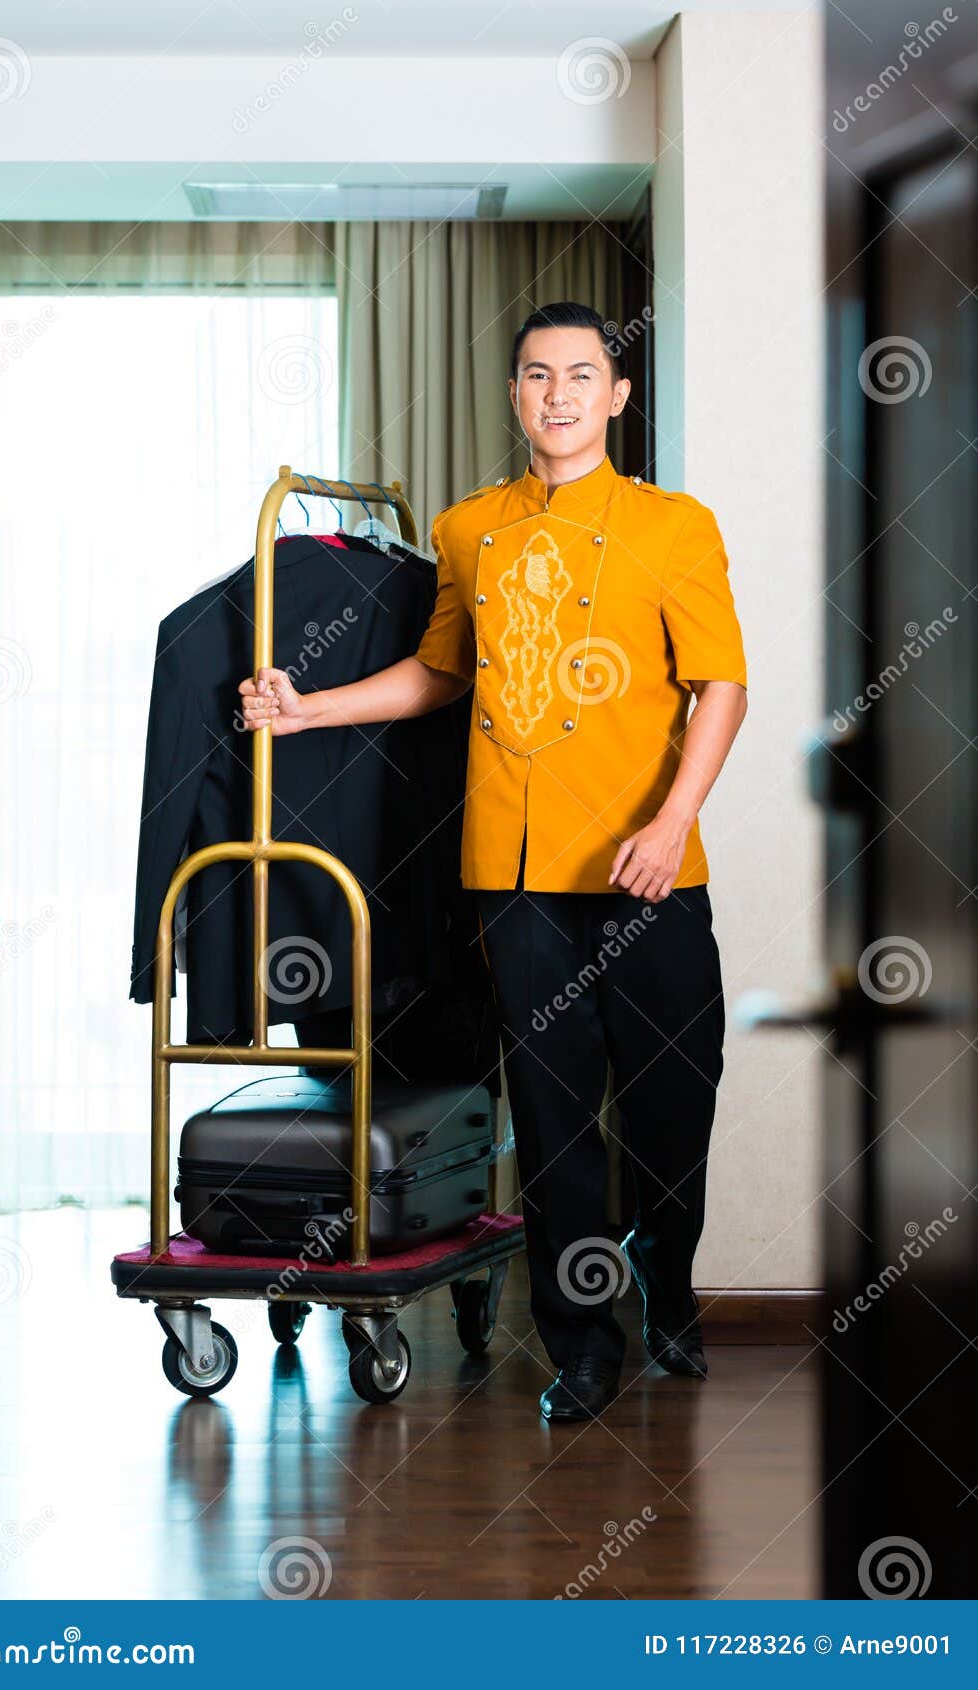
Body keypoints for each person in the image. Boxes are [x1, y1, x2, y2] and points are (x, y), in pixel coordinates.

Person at [239, 302, 748, 1422]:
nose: (556, 393)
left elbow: (721, 685)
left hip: (646, 870)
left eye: (580, 374)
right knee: (554, 1121)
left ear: (616, 396)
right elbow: (438, 672)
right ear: (513, 395)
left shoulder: (674, 525)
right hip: (514, 877)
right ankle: (582, 1345)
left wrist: (670, 821)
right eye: (534, 374)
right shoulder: (471, 530)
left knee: (670, 1110)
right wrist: (304, 708)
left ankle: (667, 1272)